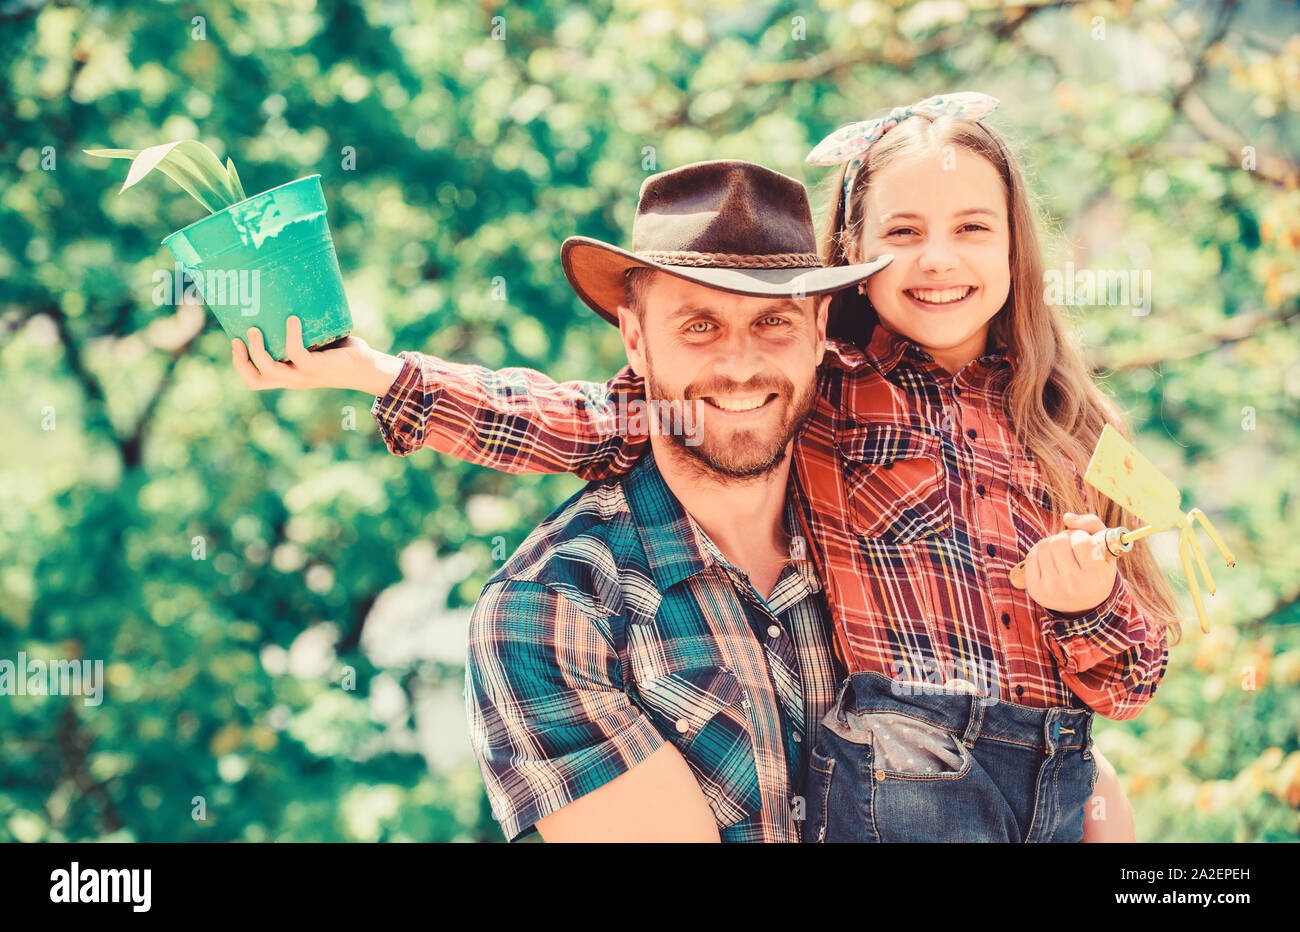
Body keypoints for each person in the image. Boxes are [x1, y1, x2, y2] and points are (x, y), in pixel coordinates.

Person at [233, 143, 1147, 841]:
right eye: (699, 324)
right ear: (635, 340)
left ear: (820, 331)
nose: (741, 364)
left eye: (773, 322)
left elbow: (1074, 734)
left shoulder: (891, 498)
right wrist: (378, 375)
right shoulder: (557, 610)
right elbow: (553, 415)